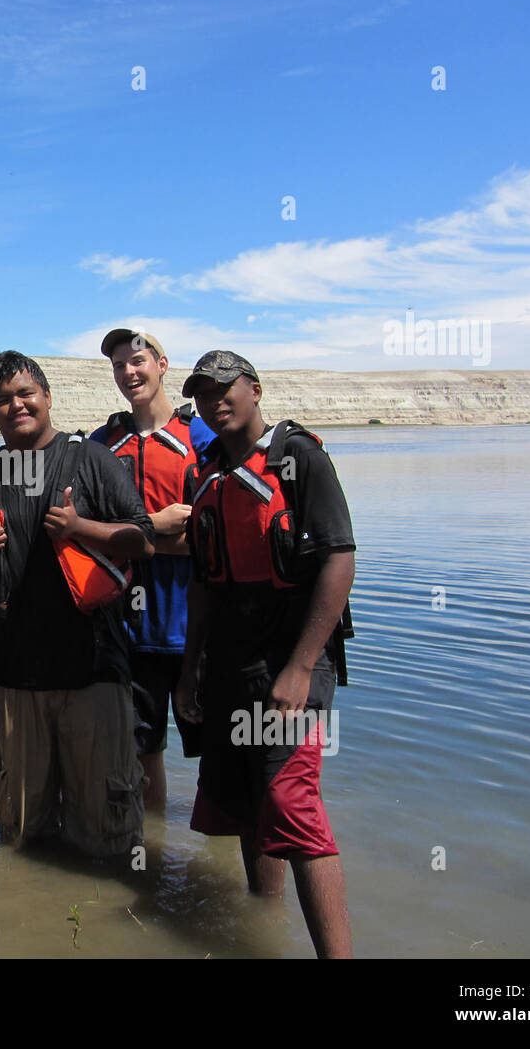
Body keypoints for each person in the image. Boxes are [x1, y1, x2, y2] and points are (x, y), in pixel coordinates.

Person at [172, 351, 355, 958]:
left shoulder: (300, 458)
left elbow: (338, 557)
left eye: (226, 388)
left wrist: (301, 667)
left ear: (254, 389)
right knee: (250, 798)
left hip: (291, 650)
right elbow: (202, 580)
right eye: (202, 393)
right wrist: (190, 670)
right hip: (227, 654)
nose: (214, 401)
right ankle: (265, 927)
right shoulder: (204, 471)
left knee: (289, 799)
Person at [0, 350, 154, 858]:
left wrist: (80, 528)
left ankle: (103, 928)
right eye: (2, 400)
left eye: (25, 394)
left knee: (106, 829)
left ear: (47, 397)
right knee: (22, 829)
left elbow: (143, 540)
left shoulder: (92, 459)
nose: (16, 405)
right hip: (14, 674)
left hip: (94, 669)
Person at [89, 328, 214, 810]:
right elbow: (86, 532)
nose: (129, 372)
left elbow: (209, 537)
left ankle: (216, 871)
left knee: (216, 756)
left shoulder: (199, 436)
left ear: (162, 365)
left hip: (193, 627)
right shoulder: (105, 442)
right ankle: (151, 860)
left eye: (137, 360)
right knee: (142, 755)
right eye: (119, 365)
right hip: (128, 629)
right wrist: (155, 527)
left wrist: (131, 538)